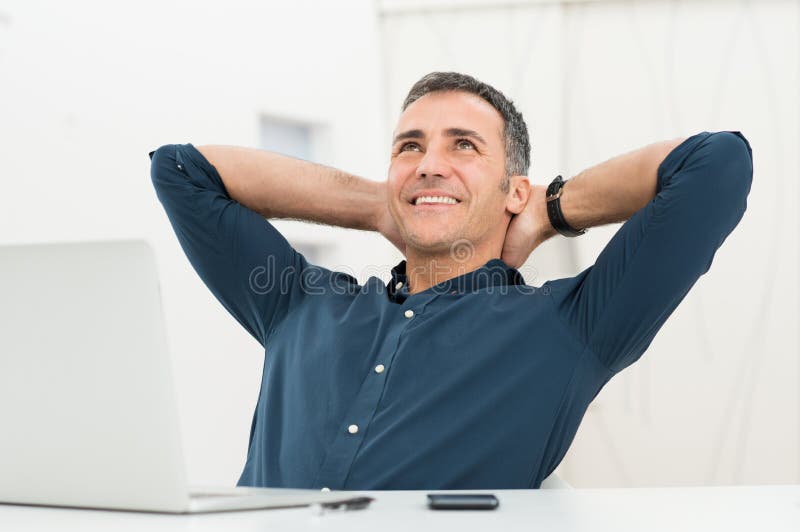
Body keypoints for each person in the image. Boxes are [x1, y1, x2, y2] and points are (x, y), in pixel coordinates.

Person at [149, 72, 753, 490]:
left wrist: (549, 209)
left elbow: (716, 164)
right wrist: (381, 204)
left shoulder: (570, 326)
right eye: (409, 147)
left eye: (463, 146)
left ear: (514, 188)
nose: (430, 162)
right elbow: (180, 170)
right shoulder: (298, 302)